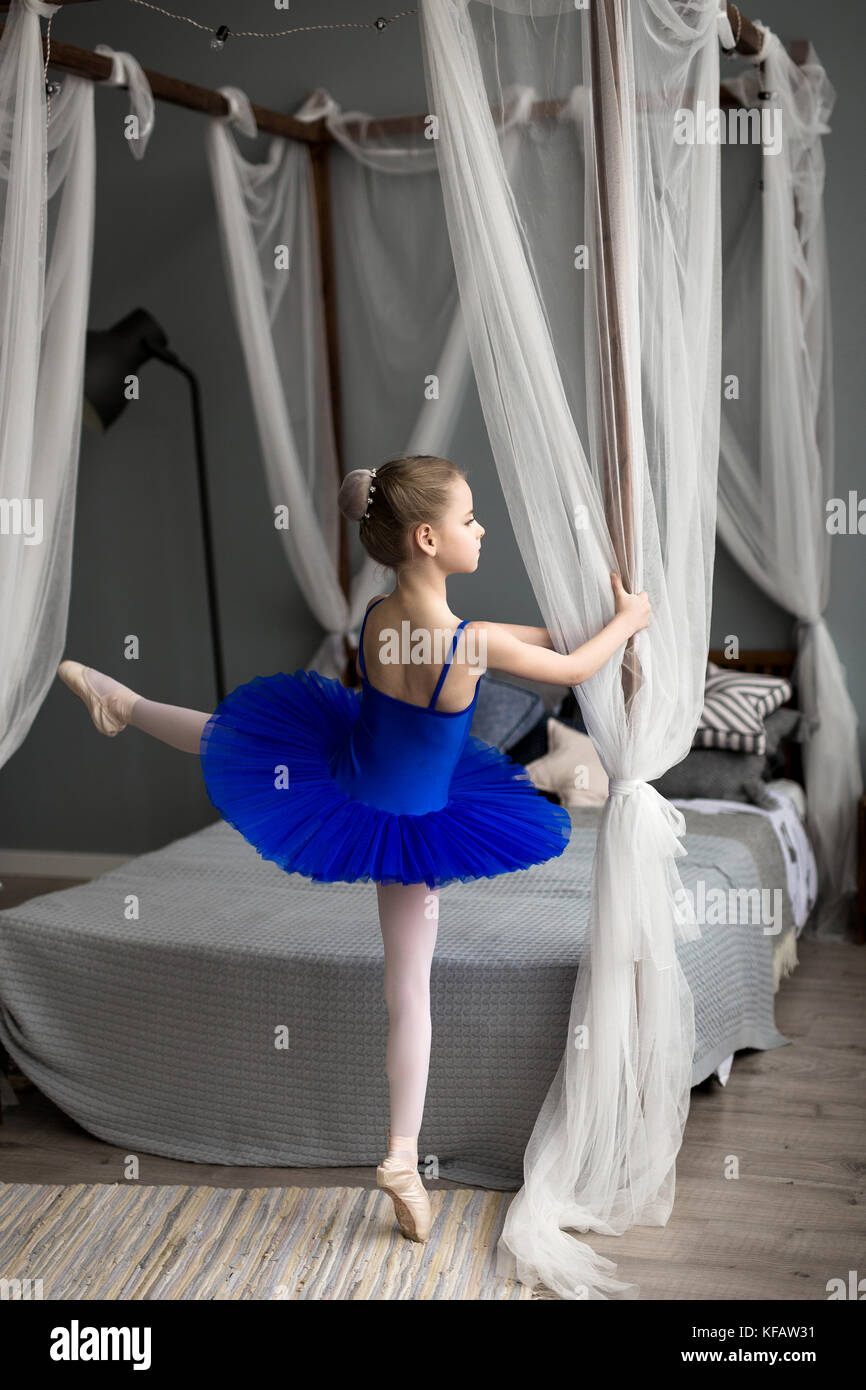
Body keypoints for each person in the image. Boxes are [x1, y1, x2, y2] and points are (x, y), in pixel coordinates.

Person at [57, 453, 650, 1247]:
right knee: (410, 993)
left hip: (349, 781)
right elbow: (573, 665)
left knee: (228, 736)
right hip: (408, 822)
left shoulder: (378, 615)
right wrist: (630, 621)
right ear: (431, 538)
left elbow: (520, 639)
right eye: (472, 520)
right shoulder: (468, 645)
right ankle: (402, 1157)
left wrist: (592, 628)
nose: (484, 530)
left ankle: (124, 704)